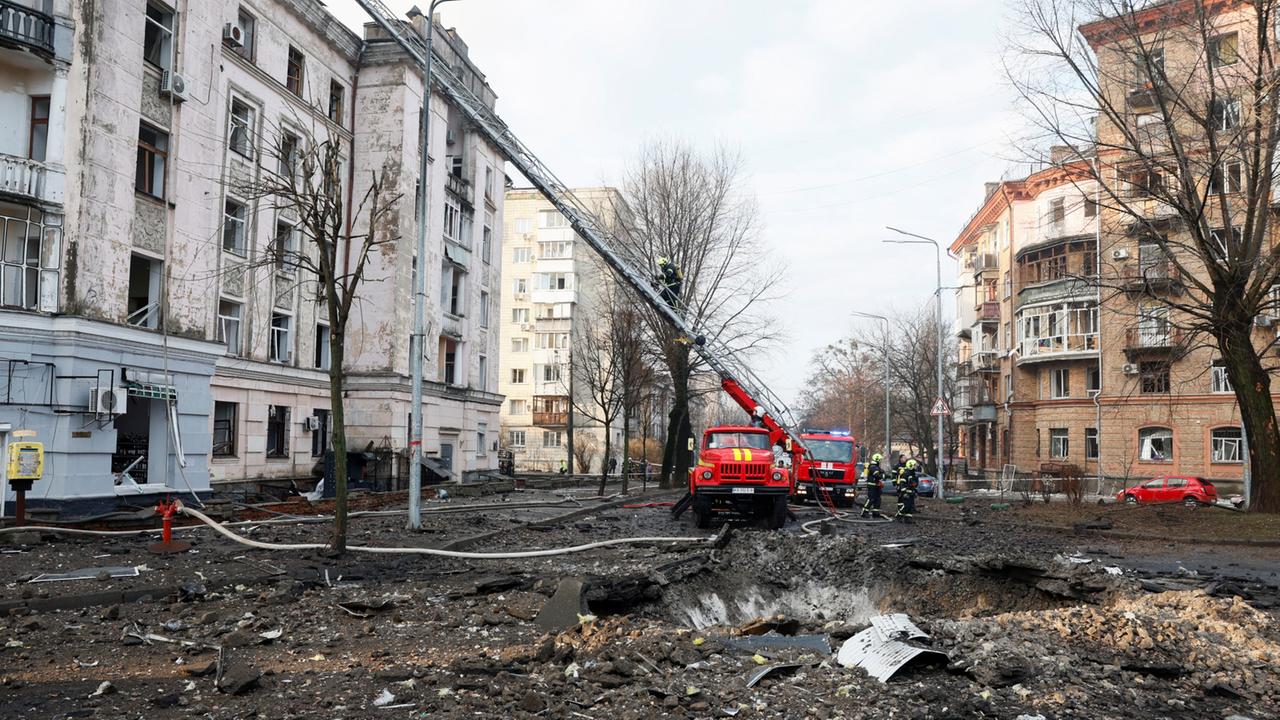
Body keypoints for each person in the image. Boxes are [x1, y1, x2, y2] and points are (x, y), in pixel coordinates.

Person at [861, 453, 885, 518]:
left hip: (876, 486)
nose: (880, 461)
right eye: (880, 460)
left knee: (877, 500)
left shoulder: (876, 467)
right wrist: (883, 475)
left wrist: (882, 472)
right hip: (872, 487)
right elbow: (877, 475)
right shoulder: (873, 467)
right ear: (877, 460)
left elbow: (881, 472)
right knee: (871, 499)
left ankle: (875, 513)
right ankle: (864, 512)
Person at [895, 459, 919, 523]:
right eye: (914, 465)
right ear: (911, 466)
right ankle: (898, 516)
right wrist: (904, 493)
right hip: (906, 493)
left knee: (910, 507)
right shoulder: (906, 473)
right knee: (906, 506)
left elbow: (913, 484)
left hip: (911, 492)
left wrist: (915, 491)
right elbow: (902, 484)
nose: (915, 467)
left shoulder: (912, 474)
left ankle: (908, 519)